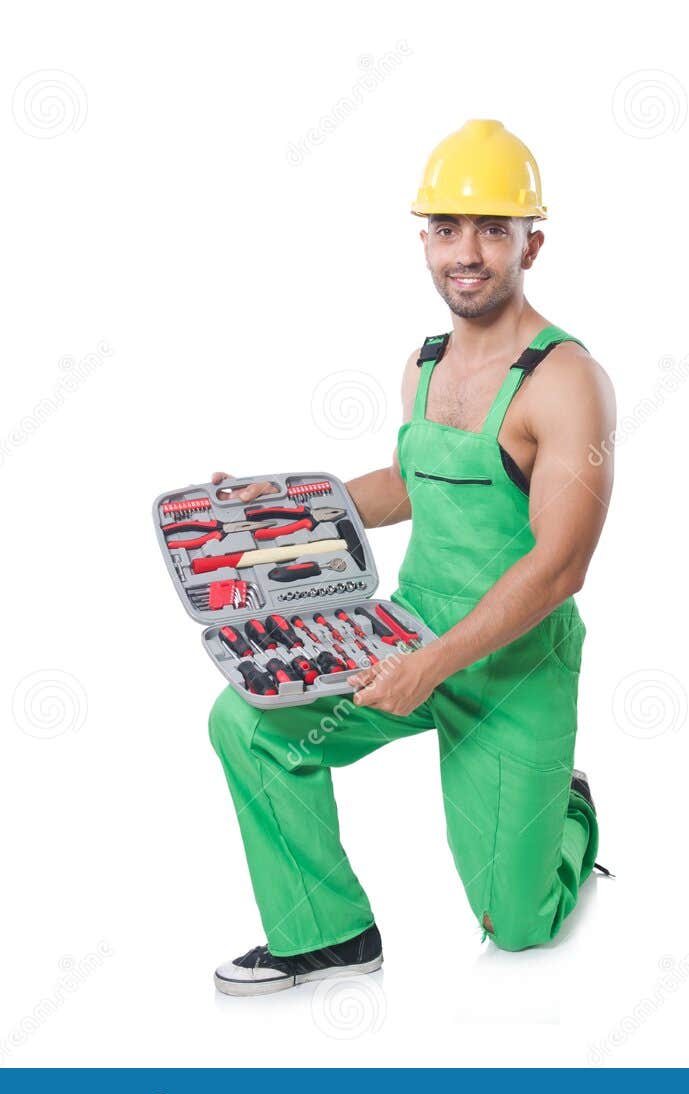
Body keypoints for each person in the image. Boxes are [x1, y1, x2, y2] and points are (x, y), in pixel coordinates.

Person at [207, 119, 616, 995]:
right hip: (410, 632)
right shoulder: (425, 365)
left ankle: (569, 811)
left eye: (492, 231)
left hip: (512, 668)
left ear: (530, 245)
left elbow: (561, 563)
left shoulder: (565, 379)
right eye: (446, 229)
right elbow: (408, 481)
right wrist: (278, 511)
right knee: (246, 723)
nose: (466, 253)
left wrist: (433, 666)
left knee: (517, 928)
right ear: (424, 240)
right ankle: (328, 933)